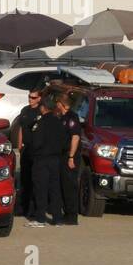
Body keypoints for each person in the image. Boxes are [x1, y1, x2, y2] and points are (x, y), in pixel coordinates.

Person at [26, 96, 67, 227]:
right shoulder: (59, 122)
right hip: (55, 159)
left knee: (40, 189)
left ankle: (40, 218)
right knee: (55, 189)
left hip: (41, 159)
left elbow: (36, 142)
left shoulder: (41, 123)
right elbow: (65, 141)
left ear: (43, 108)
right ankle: (57, 219)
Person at [13, 89, 43, 217]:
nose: (30, 99)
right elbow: (21, 128)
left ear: (39, 98)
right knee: (24, 179)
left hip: (36, 150)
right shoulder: (25, 110)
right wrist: (19, 145)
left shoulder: (41, 112)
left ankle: (34, 209)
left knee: (36, 180)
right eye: (29, 97)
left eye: (33, 97)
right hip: (25, 149)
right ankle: (23, 207)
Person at [55, 93, 81, 226]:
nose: (56, 105)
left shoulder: (72, 117)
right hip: (62, 155)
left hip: (70, 156)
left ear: (62, 104)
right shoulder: (62, 117)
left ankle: (72, 216)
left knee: (70, 186)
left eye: (57, 102)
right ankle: (66, 213)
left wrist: (71, 157)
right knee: (63, 185)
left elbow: (75, 137)